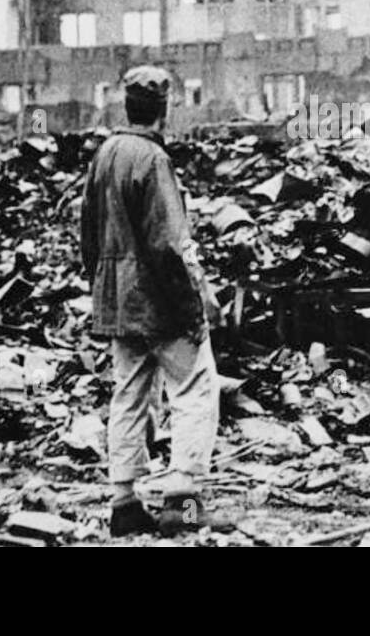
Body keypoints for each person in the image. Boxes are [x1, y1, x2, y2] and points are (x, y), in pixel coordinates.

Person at [80, 65, 228, 536]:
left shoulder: (104, 155)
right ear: (163, 110)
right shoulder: (152, 160)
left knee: (129, 395)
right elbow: (170, 245)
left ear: (128, 106)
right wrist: (195, 307)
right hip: (159, 303)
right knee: (194, 388)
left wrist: (104, 289)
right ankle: (181, 502)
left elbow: (88, 235)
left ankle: (124, 504)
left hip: (118, 303)